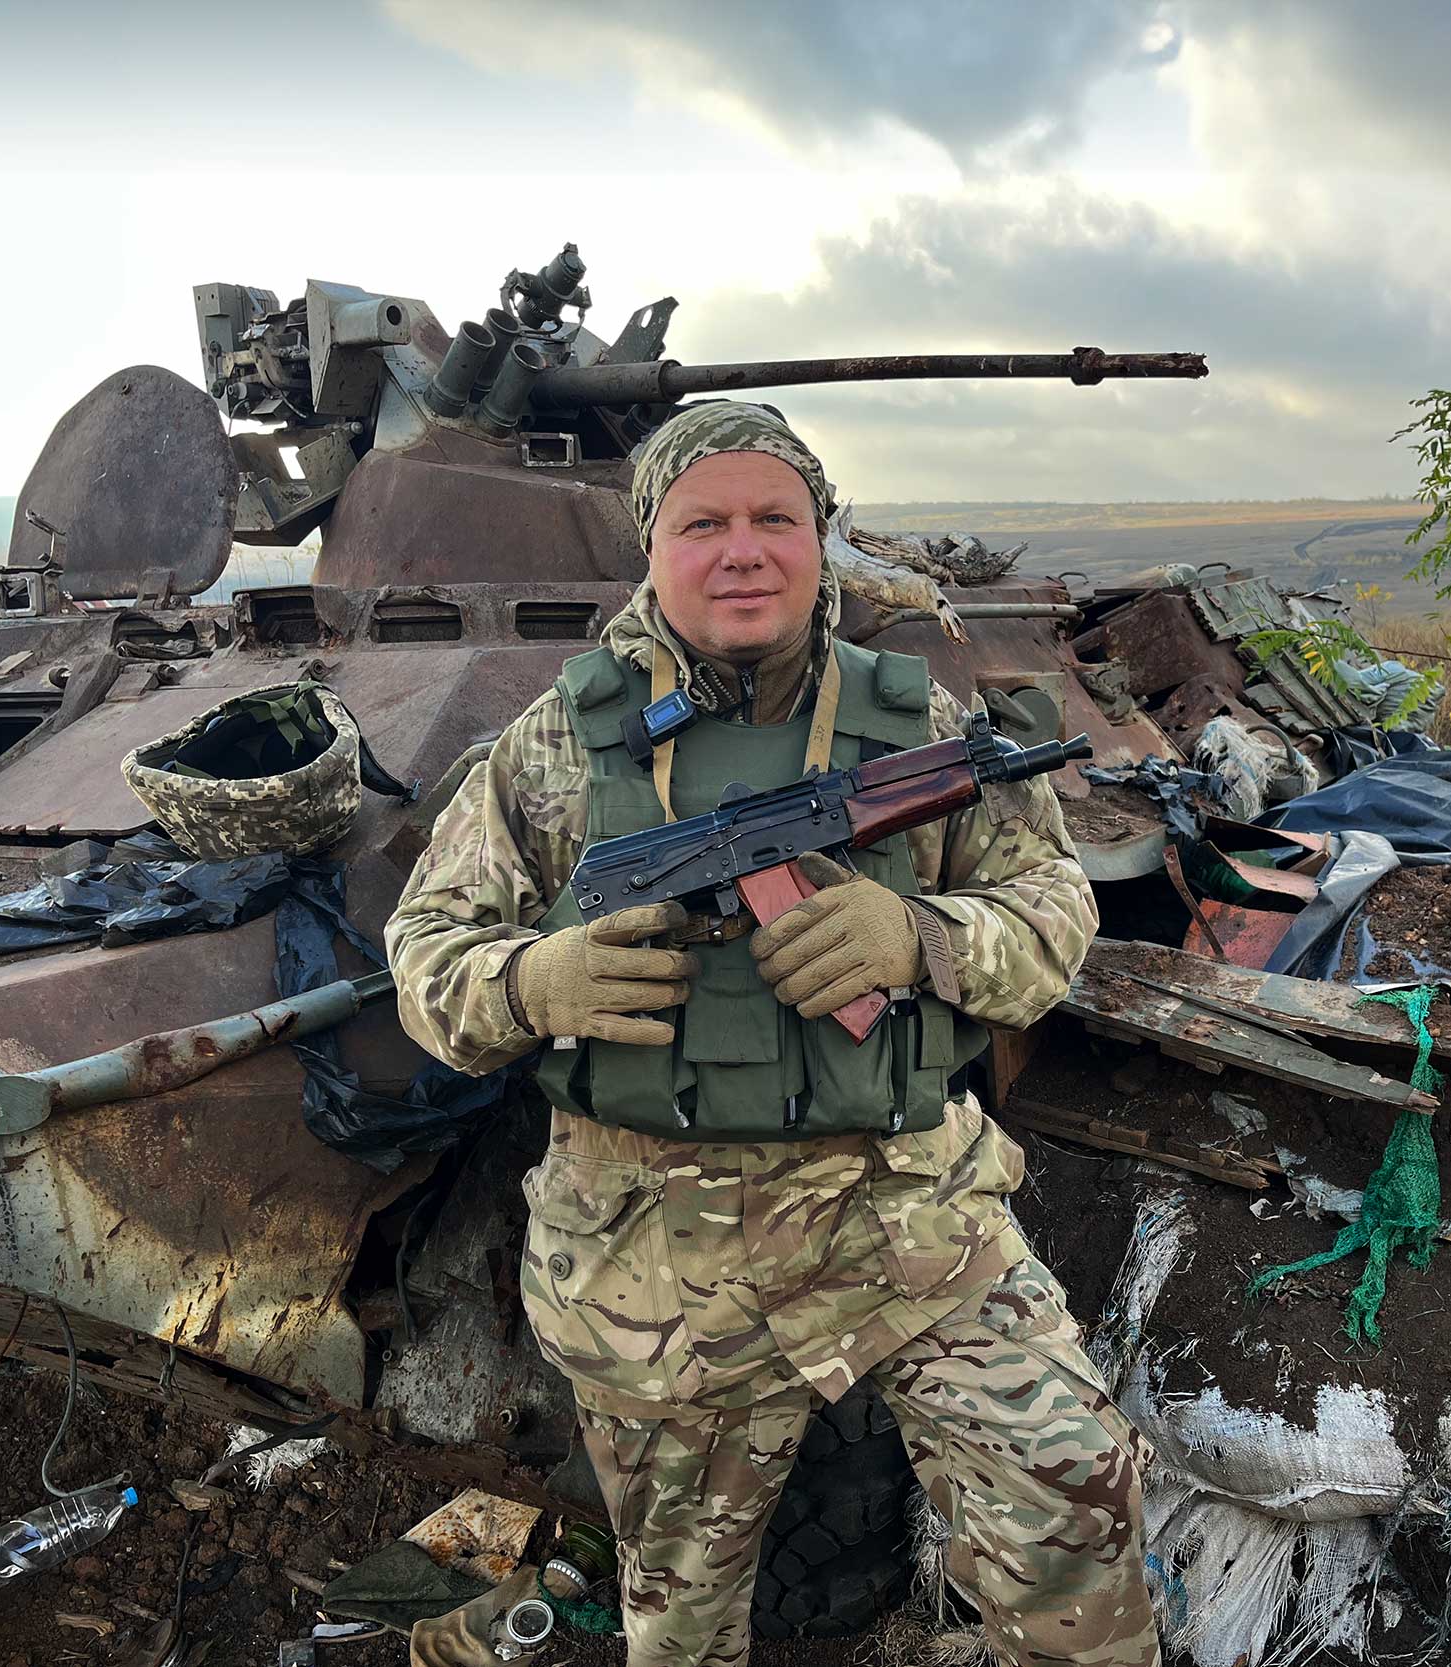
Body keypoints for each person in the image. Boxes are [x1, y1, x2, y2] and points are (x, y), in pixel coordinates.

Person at [386, 401, 1158, 1667]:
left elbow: (1054, 918)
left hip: (913, 1216)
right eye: (703, 523)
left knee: (1075, 1498)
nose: (741, 549)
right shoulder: (545, 749)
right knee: (680, 1622)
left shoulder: (919, 727)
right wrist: (533, 982)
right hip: (651, 1261)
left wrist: (923, 939)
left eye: (773, 519)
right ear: (651, 548)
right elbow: (425, 963)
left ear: (817, 538)